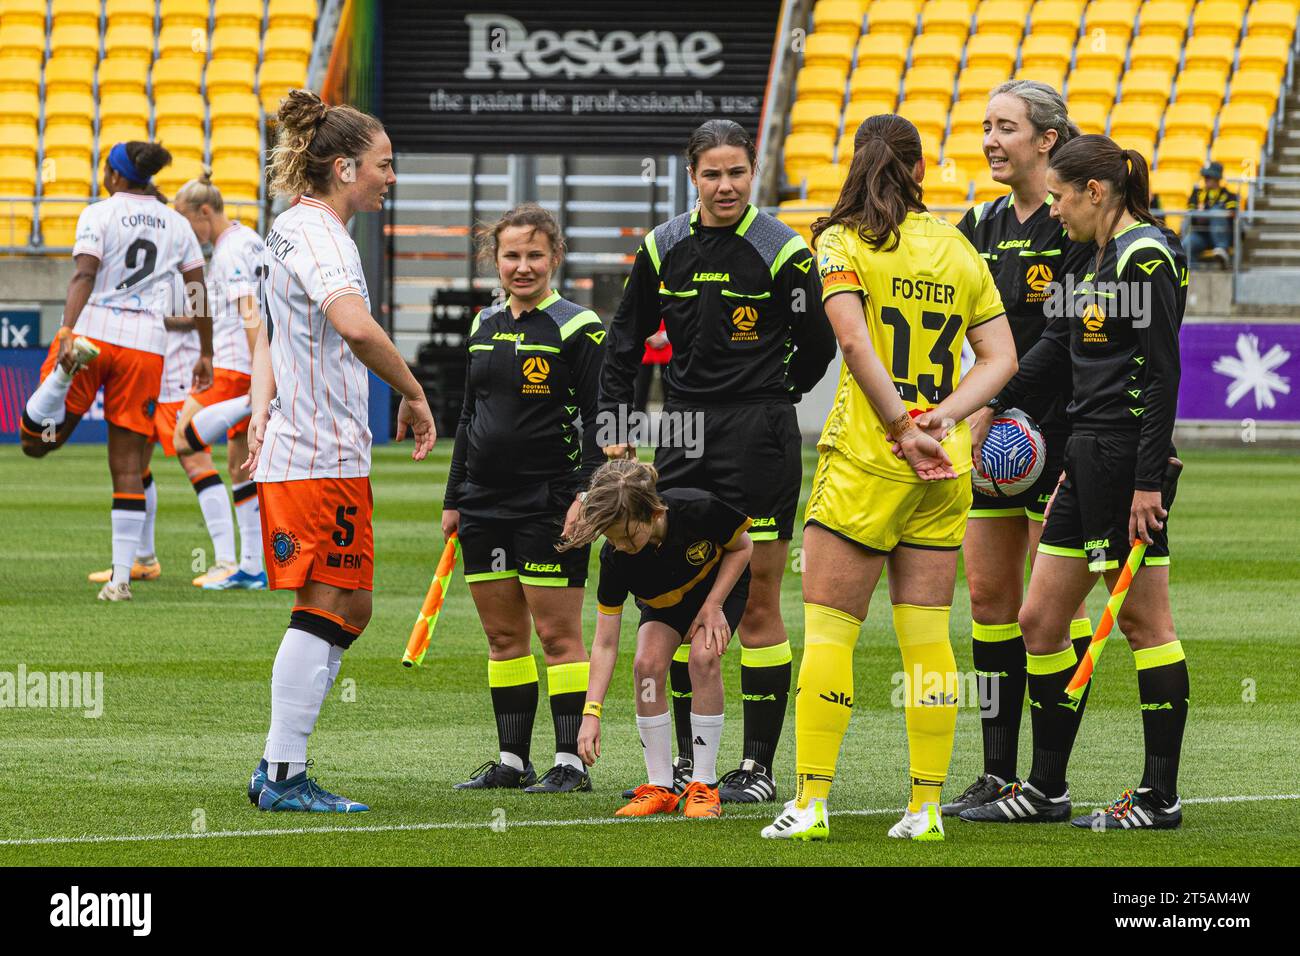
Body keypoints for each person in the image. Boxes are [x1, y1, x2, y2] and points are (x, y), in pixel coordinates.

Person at [761, 114, 1018, 842]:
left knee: (830, 632)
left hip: (872, 455)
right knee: (929, 639)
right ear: (919, 167)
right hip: (947, 465)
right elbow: (1001, 360)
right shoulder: (960, 246)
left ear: (858, 162)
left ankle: (811, 803)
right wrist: (944, 419)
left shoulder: (841, 240)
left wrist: (903, 429)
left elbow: (850, 340)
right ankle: (926, 807)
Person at [599, 119, 837, 803]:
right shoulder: (662, 245)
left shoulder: (785, 251)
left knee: (757, 601)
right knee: (672, 593)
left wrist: (774, 394)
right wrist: (616, 426)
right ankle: (684, 769)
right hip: (682, 434)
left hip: (758, 435)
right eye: (712, 174)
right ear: (691, 176)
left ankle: (756, 768)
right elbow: (623, 341)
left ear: (753, 170)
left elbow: (816, 345)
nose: (726, 185)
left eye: (737, 172)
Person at [959, 135, 1190, 830]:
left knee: (1146, 625)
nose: (1053, 210)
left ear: (1095, 192)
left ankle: (1159, 798)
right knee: (1039, 621)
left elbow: (1161, 375)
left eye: (1060, 197)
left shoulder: (1147, 256)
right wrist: (983, 401)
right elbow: (1056, 348)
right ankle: (1046, 790)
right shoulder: (1094, 257)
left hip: (1123, 461)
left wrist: (1147, 482)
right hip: (1081, 458)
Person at [244, 89, 436, 813]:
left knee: (351, 605)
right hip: (317, 456)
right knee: (327, 600)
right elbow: (354, 328)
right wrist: (414, 394)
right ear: (348, 166)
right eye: (385, 165)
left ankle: (278, 764)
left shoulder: (289, 227)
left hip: (320, 450)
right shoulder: (325, 239)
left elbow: (271, 333)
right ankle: (284, 774)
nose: (392, 177)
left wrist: (263, 409)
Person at [943, 81, 1098, 816]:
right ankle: (997, 772)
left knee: (1051, 613)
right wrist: (968, 409)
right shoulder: (978, 222)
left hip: (1058, 433)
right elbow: (960, 328)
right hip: (988, 436)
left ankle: (1047, 780)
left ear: (1047, 140)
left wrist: (998, 404)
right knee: (988, 601)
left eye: (1006, 128)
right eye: (985, 127)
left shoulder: (1077, 226)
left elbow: (1068, 345)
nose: (990, 141)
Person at [442, 203, 605, 794]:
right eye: (512, 255)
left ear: (555, 258)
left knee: (558, 637)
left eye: (535, 255)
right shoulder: (483, 324)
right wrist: (453, 496)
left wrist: (587, 492)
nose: (523, 266)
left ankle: (570, 762)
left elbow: (602, 417)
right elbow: (467, 414)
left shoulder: (578, 327)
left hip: (550, 503)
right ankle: (513, 761)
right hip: (483, 504)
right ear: (495, 258)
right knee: (503, 637)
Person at [20, 141, 211, 602]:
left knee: (36, 443)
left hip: (94, 334)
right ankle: (121, 578)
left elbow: (84, 275)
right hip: (146, 346)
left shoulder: (99, 214)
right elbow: (198, 291)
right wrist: (206, 350)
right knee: (128, 465)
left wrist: (67, 329)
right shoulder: (177, 224)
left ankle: (63, 377)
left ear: (115, 176)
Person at [571, 459, 753, 819]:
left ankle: (704, 785)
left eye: (627, 535)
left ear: (653, 513)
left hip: (717, 590)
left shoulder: (699, 508)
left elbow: (743, 547)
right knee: (647, 666)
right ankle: (660, 786)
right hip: (665, 603)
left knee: (703, 658)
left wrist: (713, 605)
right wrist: (591, 713)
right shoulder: (616, 557)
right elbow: (605, 643)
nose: (621, 545)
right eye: (612, 538)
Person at [173, 169, 269, 590]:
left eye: (185, 221)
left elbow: (248, 311)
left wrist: (257, 377)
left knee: (183, 438)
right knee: (240, 464)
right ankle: (251, 567)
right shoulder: (251, 239)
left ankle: (236, 560)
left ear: (205, 211)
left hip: (237, 365)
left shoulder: (229, 253)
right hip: (249, 361)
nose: (184, 231)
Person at [1183, 161, 1237, 269]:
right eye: (1205, 176)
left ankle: (1222, 251)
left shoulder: (1229, 195)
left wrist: (1206, 214)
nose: (1205, 179)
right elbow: (1191, 214)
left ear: (1217, 178)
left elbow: (1232, 215)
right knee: (1186, 244)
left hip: (1223, 236)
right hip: (1202, 235)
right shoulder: (1197, 193)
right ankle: (1192, 277)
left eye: (1209, 176)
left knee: (1217, 211)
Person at [633, 320, 670, 412]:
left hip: (668, 352)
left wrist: (665, 337)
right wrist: (648, 337)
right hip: (645, 351)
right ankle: (638, 422)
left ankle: (671, 422)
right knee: (640, 392)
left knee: (669, 393)